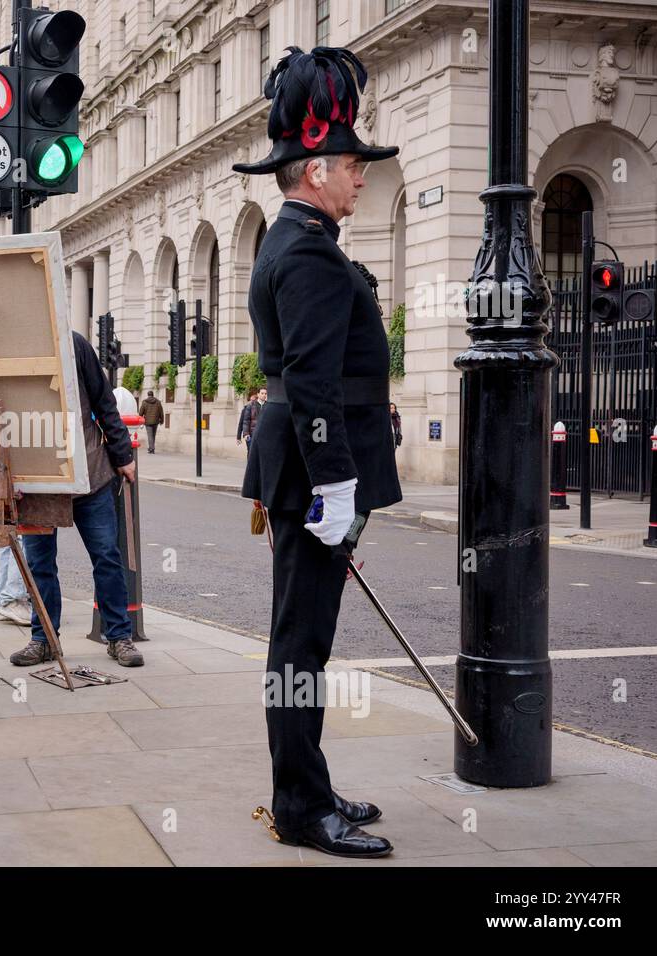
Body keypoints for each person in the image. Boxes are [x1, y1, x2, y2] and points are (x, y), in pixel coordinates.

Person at [233, 45, 402, 858]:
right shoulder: (304, 251)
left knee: (302, 639)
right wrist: (336, 483)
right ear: (314, 171)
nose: (361, 175)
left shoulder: (295, 237)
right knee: (300, 644)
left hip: (306, 469)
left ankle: (308, 782)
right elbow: (312, 380)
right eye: (352, 163)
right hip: (313, 472)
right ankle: (299, 807)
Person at [10, 331, 142, 668]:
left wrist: (123, 454)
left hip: (89, 474)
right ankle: (44, 640)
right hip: (38, 482)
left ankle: (119, 637)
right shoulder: (11, 347)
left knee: (107, 557)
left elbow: (104, 402)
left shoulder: (73, 343)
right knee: (39, 565)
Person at [237, 387, 267, 451]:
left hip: (264, 435)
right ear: (258, 394)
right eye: (262, 393)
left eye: (265, 393)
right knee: (251, 453)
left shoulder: (268, 406)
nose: (264, 395)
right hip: (252, 434)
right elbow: (244, 422)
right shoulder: (250, 406)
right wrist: (245, 434)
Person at [138, 389, 164, 454]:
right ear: (152, 395)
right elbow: (161, 412)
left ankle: (151, 448)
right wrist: (162, 420)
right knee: (153, 435)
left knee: (150, 435)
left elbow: (141, 412)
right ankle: (151, 448)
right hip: (156, 421)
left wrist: (140, 418)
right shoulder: (158, 402)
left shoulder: (144, 402)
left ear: (148, 395)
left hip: (148, 421)